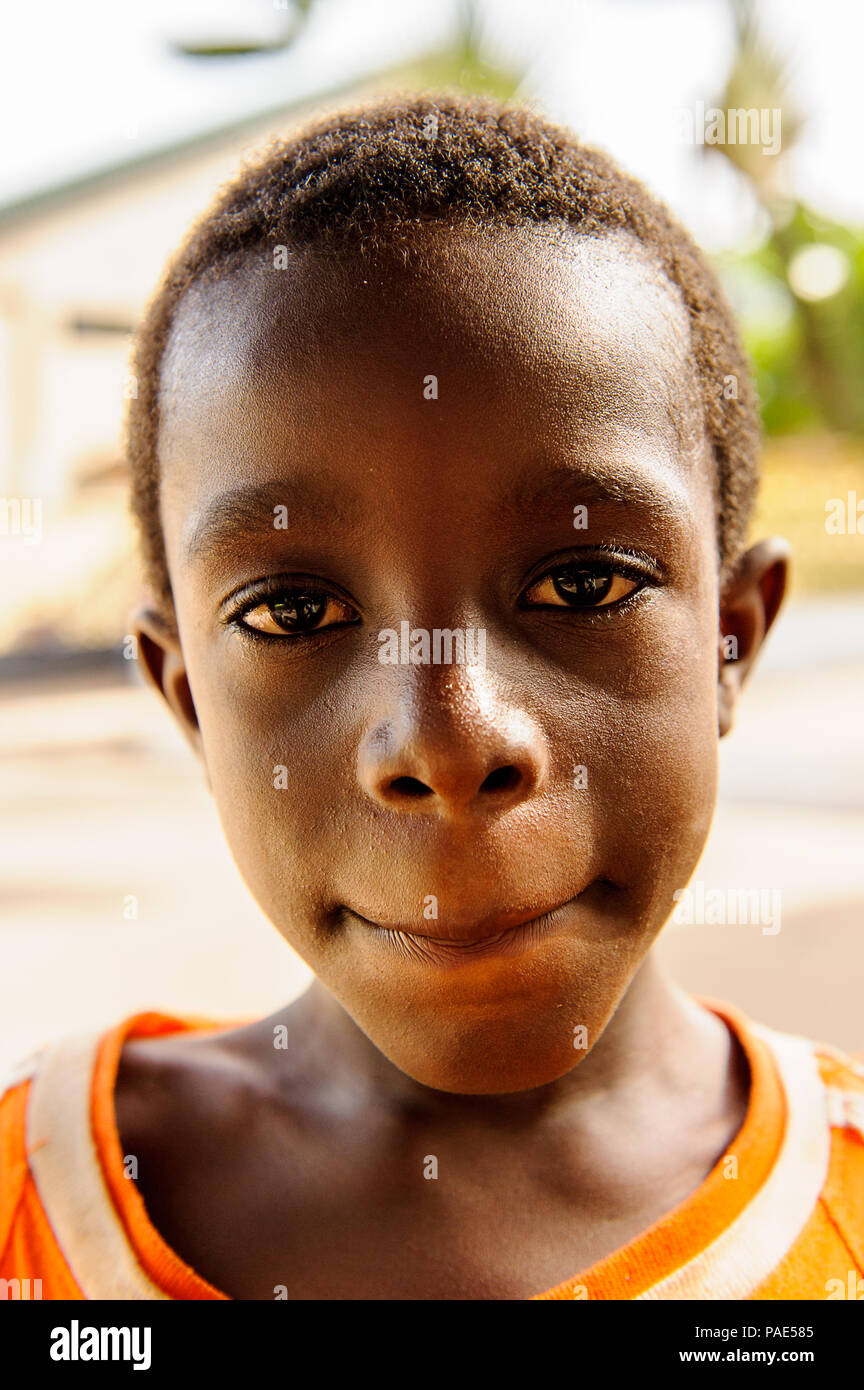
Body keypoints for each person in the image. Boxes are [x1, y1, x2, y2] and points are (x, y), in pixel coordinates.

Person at [2, 93, 862, 1301]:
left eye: (581, 580)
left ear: (732, 636)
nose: (448, 742)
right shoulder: (29, 1199)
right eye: (293, 615)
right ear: (188, 702)